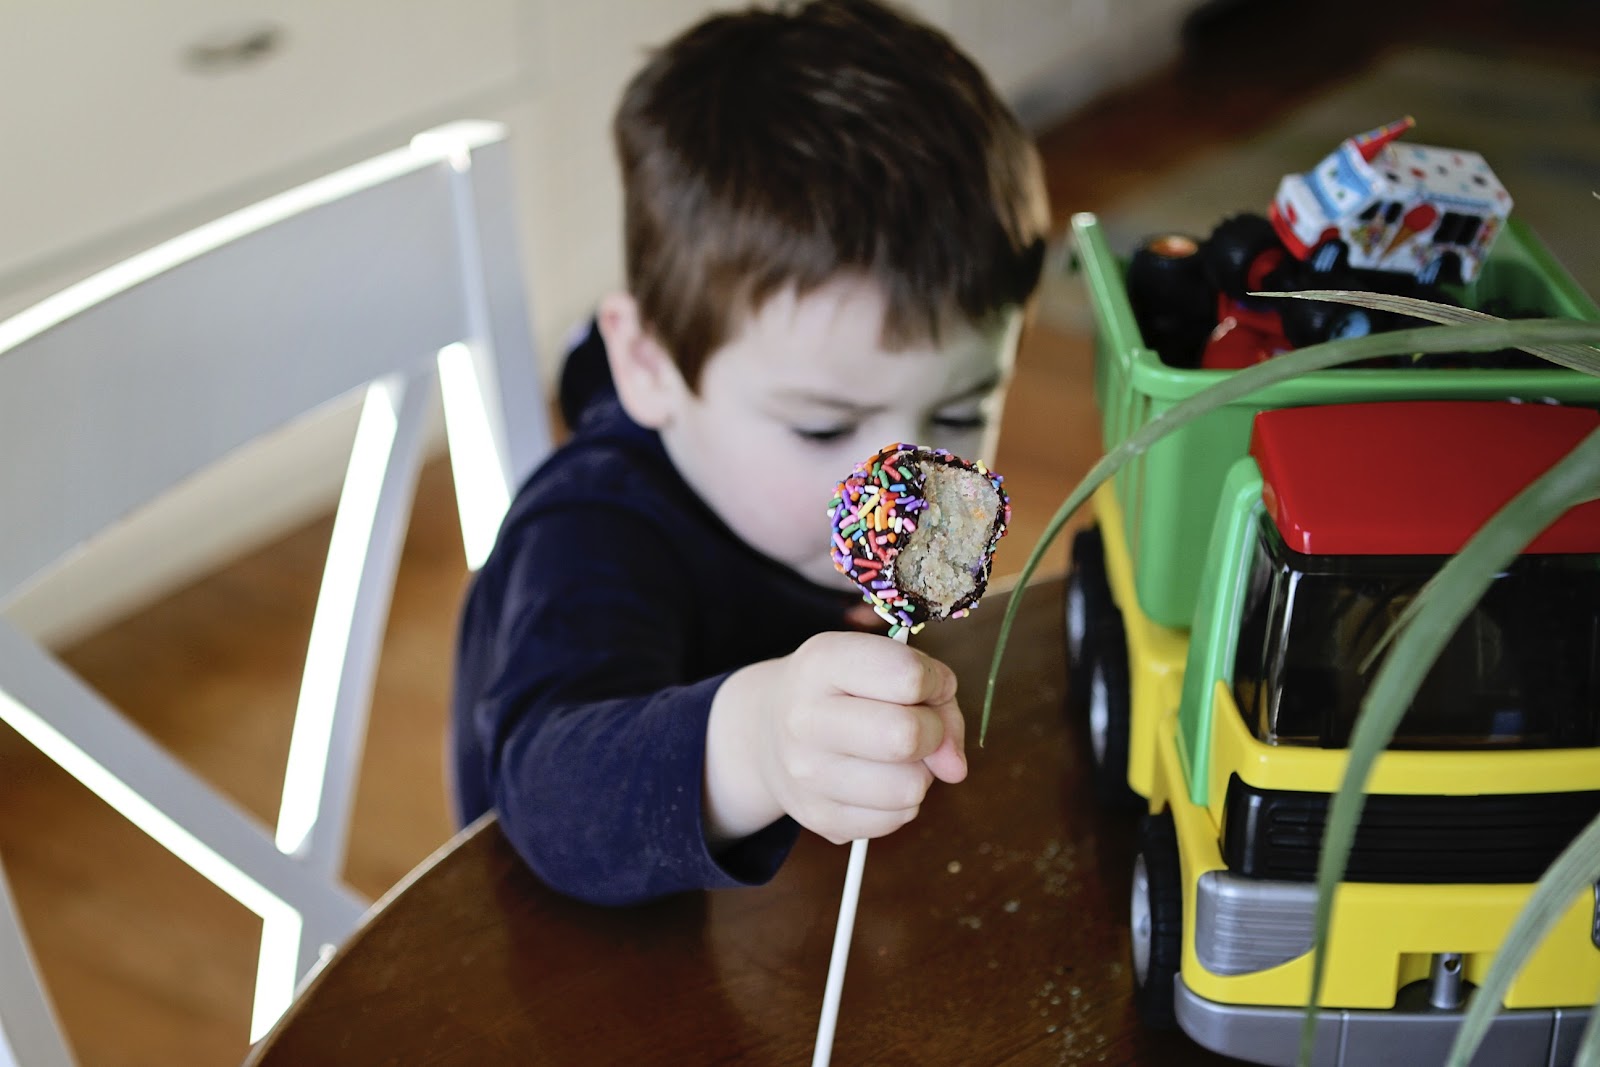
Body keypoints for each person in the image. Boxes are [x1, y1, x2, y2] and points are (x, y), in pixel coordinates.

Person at [450, 0, 1048, 905]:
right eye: (823, 428)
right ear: (650, 363)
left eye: (961, 413)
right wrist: (758, 741)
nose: (912, 491)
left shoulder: (812, 482)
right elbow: (548, 797)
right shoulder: (589, 533)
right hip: (600, 943)